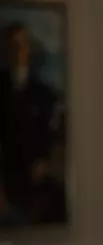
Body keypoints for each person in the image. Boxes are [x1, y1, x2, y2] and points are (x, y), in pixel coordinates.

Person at [0, 22, 65, 225]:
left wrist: (45, 163)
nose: (19, 50)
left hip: (35, 181)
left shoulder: (43, 93)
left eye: (23, 44)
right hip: (6, 177)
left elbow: (53, 135)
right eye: (14, 45)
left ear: (29, 49)